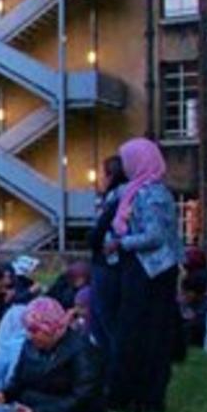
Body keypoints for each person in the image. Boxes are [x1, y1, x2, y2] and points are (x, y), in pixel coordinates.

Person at [106, 138, 183, 412]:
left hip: (154, 274)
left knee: (151, 338)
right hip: (136, 271)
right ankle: (125, 395)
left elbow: (155, 236)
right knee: (130, 335)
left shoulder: (155, 194)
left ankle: (148, 400)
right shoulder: (132, 191)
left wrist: (121, 243)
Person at [87, 155, 127, 383]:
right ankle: (103, 373)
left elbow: (105, 231)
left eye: (103, 173)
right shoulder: (108, 198)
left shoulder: (119, 197)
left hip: (109, 263)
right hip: (103, 262)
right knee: (99, 321)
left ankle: (113, 376)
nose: (100, 178)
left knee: (106, 321)